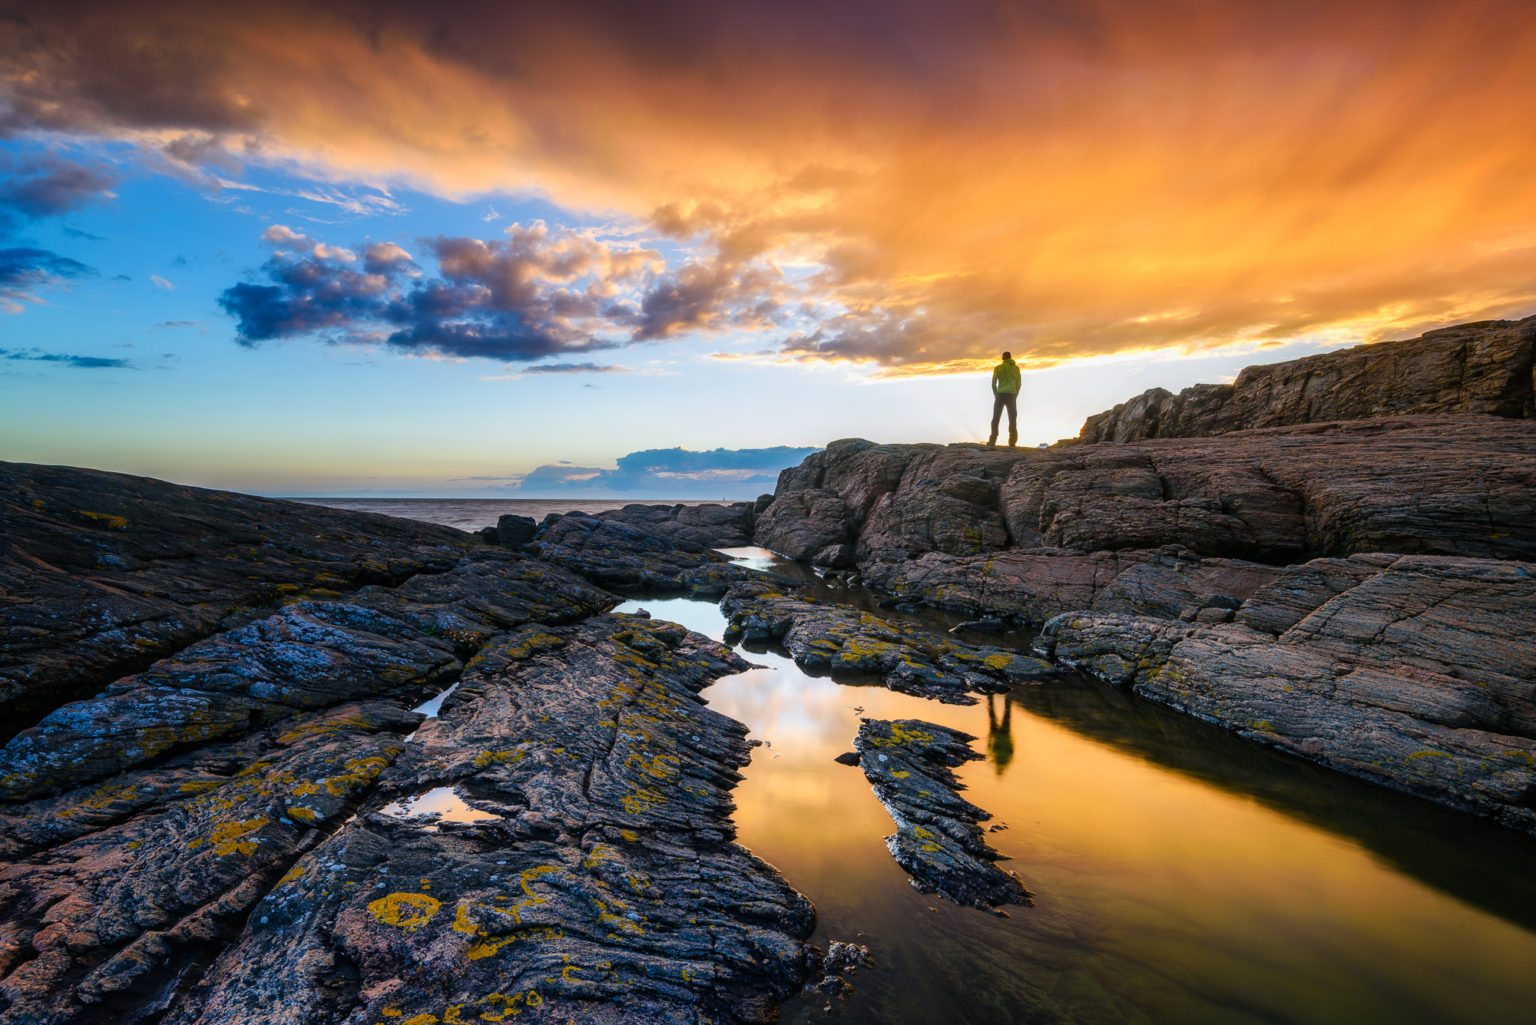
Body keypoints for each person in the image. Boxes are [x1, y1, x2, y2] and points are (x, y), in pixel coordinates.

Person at [988, 350, 1020, 447]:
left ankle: (992, 442)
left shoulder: (997, 368)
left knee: (995, 419)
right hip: (1011, 395)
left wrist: (996, 394)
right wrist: (1015, 395)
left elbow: (993, 383)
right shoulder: (1016, 368)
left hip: (1000, 395)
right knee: (1012, 419)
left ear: (1003, 358)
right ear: (1010, 357)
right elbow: (1019, 384)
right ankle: (1012, 442)